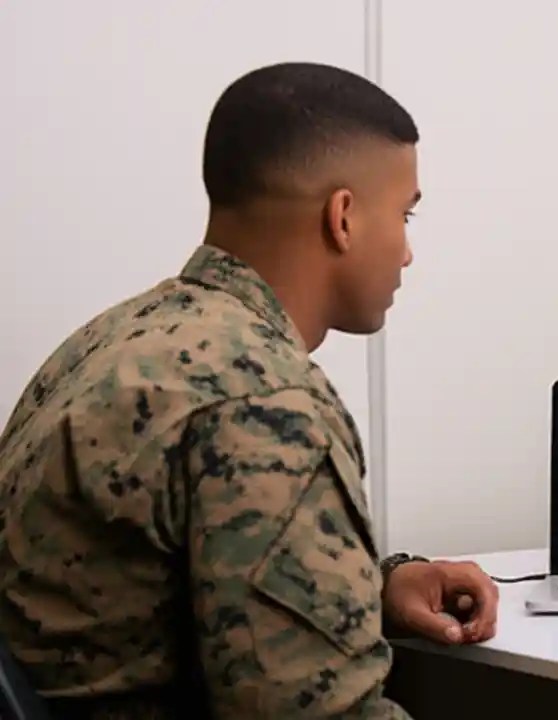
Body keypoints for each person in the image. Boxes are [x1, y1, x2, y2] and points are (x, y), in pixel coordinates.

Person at [0, 62, 499, 718]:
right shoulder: (266, 404)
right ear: (343, 218)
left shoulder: (109, 341)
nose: (407, 252)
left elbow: (144, 598)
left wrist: (375, 588)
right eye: (405, 216)